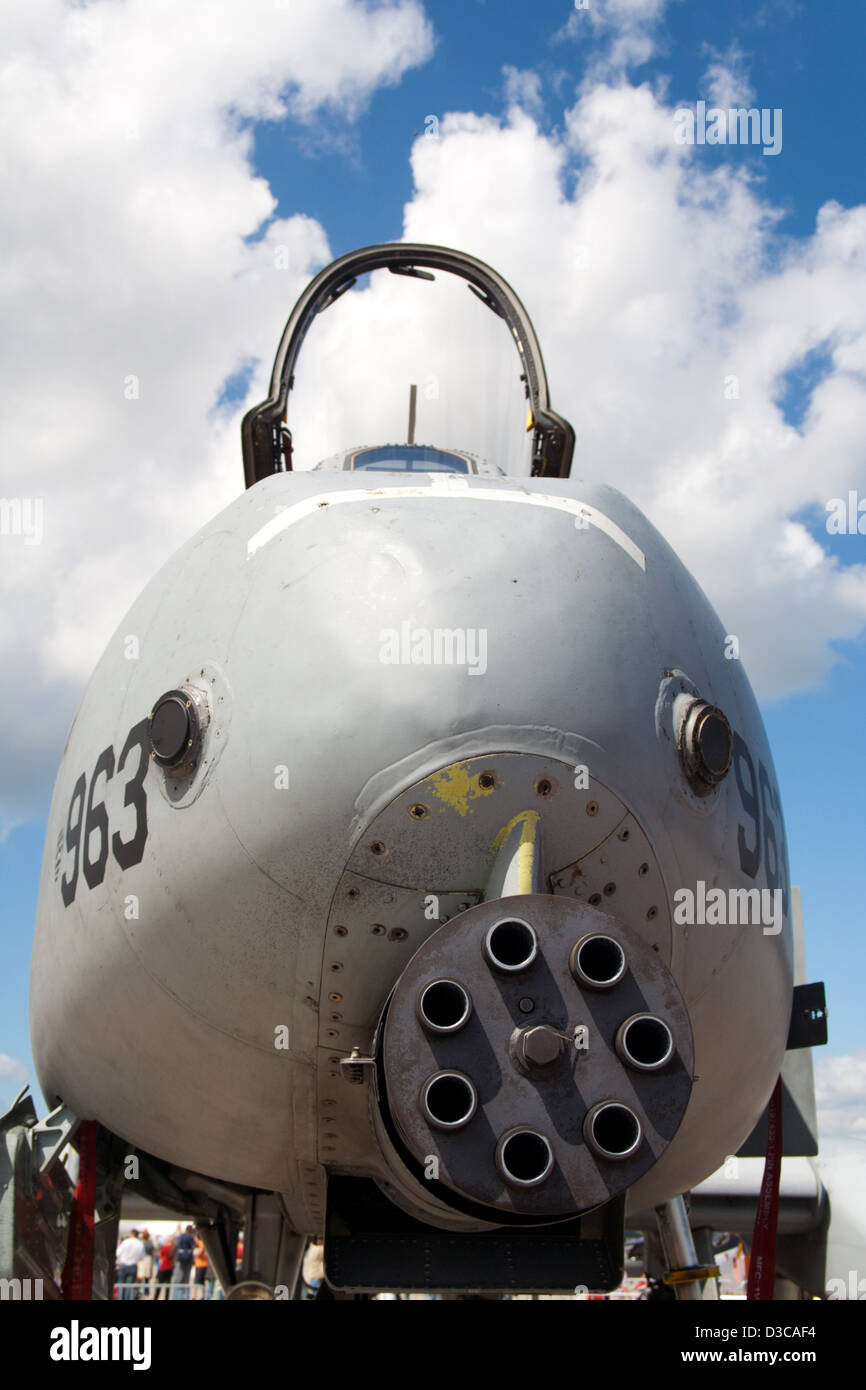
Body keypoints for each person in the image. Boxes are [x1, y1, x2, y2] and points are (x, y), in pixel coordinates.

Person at [116, 1229, 145, 1301]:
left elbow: (118, 1253)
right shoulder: (140, 1244)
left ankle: (120, 1298)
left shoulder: (126, 1242)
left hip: (123, 1265)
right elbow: (142, 1257)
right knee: (129, 1287)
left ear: (131, 1234)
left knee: (121, 1285)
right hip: (133, 1266)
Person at [171, 1224, 196, 1300]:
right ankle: (185, 1297)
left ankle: (176, 1297)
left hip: (180, 1259)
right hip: (188, 1259)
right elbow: (194, 1246)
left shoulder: (181, 1236)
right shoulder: (190, 1237)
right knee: (186, 1279)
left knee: (178, 1279)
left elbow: (177, 1246)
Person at [155, 1232, 175, 1299]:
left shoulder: (164, 1247)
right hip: (170, 1267)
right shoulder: (172, 1248)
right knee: (168, 1285)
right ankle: (166, 1298)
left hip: (163, 1267)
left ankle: (156, 1297)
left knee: (159, 1284)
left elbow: (160, 1255)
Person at [137, 1228, 154, 1298]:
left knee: (140, 1276)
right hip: (148, 1259)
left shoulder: (141, 1243)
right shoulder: (150, 1244)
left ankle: (138, 1291)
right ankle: (146, 1292)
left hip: (142, 1259)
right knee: (146, 1278)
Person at [192, 1234, 209, 1300]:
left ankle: (197, 1296)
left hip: (201, 1265)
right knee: (200, 1282)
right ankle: (201, 1296)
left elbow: (199, 1253)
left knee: (198, 1281)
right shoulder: (201, 1243)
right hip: (200, 1264)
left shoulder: (201, 1243)